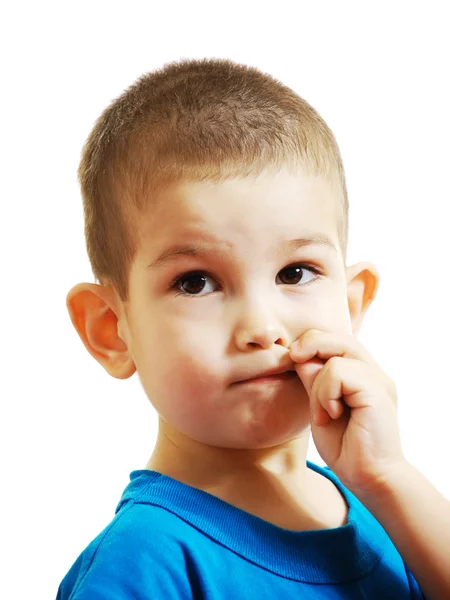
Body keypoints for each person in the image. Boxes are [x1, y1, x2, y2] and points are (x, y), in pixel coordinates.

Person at [56, 58, 449, 599]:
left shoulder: (390, 511)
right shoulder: (145, 562)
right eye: (196, 282)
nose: (262, 328)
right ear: (112, 330)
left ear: (351, 304)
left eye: (295, 273)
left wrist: (388, 475)